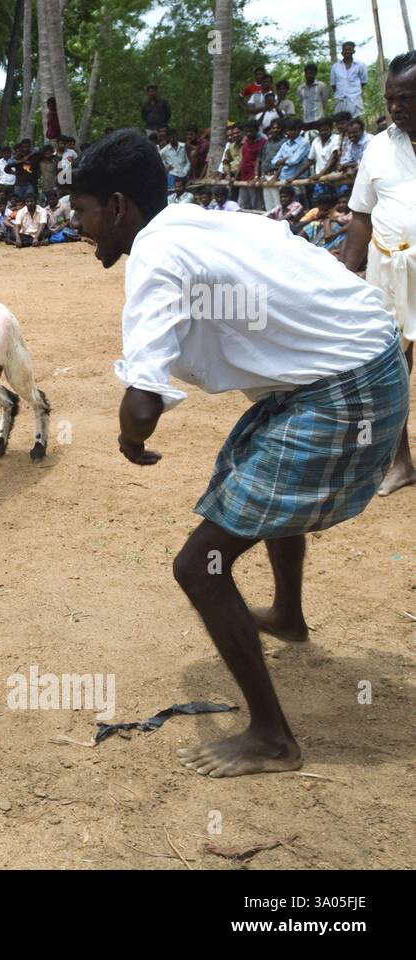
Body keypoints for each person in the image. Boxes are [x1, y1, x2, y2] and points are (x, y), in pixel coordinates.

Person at [71, 128, 408, 778]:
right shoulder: (204, 220)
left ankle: (272, 738)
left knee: (200, 566)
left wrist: (130, 438)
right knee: (253, 463)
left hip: (347, 384)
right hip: (361, 358)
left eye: (83, 211)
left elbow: (141, 402)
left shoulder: (154, 259)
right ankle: (286, 614)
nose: (80, 226)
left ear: (116, 207)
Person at [344, 51, 416, 495]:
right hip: (389, 272)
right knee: (390, 371)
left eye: (406, 97)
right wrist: (348, 275)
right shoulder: (377, 148)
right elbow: (360, 217)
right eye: (391, 98)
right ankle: (400, 461)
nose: (395, 107)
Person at [330, 41, 368, 117]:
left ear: (353, 51)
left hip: (355, 100)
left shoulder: (360, 65)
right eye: (345, 50)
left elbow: (363, 82)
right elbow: (333, 85)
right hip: (340, 100)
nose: (347, 52)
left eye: (349, 49)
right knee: (341, 123)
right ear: (342, 52)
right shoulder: (335, 67)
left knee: (355, 123)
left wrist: (353, 91)